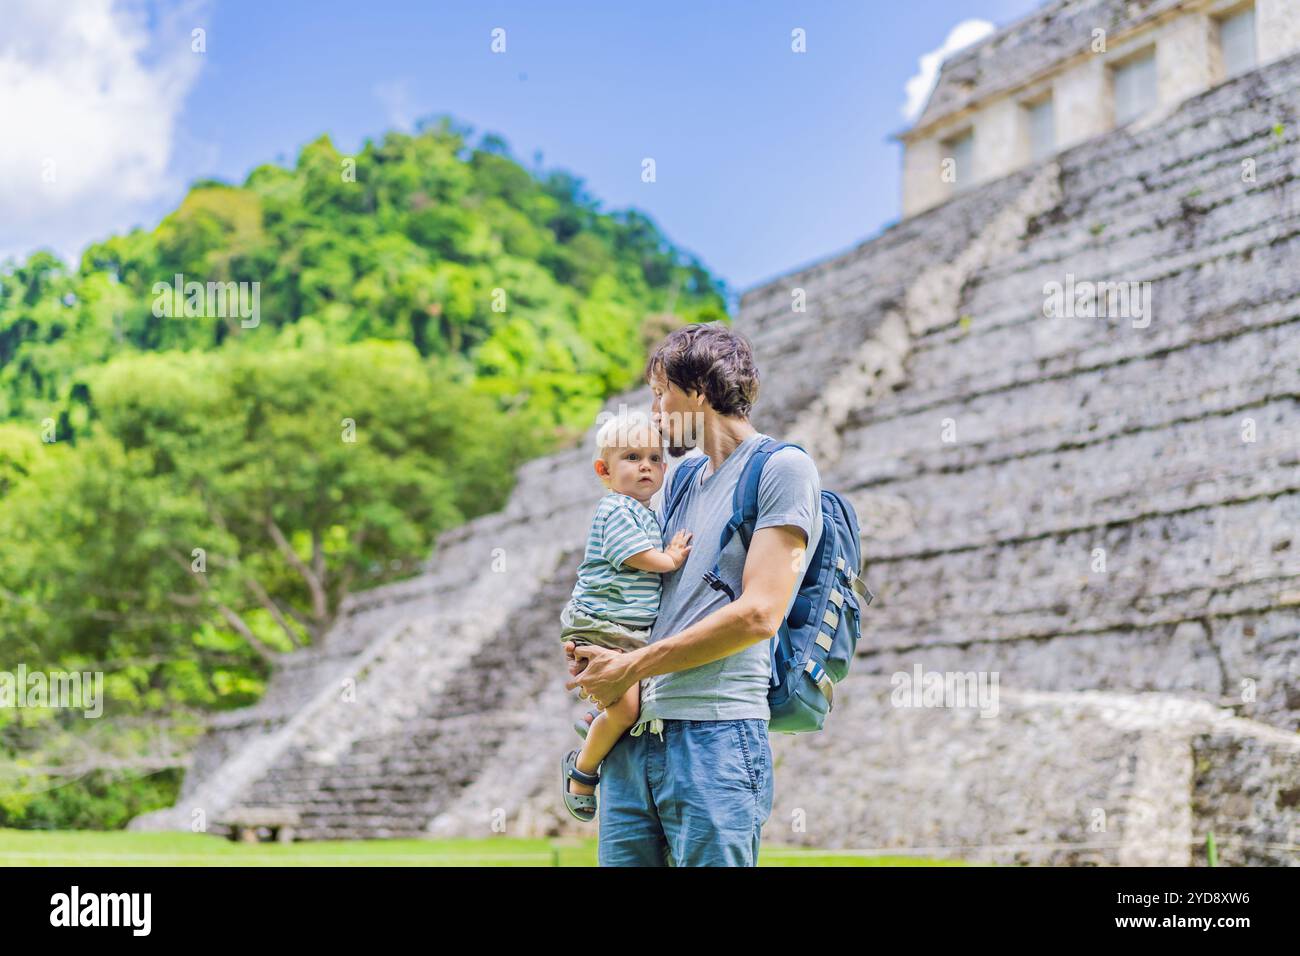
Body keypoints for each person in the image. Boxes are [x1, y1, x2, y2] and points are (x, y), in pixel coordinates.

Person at [565, 322, 822, 866]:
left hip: (716, 739)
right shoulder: (678, 480)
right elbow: (639, 586)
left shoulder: (781, 469)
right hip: (635, 739)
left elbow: (757, 615)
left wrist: (632, 665)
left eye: (661, 394)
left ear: (699, 391)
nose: (654, 412)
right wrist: (596, 644)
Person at [558, 412, 693, 822]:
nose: (646, 466)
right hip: (604, 627)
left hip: (621, 631)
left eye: (654, 458)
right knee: (627, 712)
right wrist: (668, 558)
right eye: (632, 457)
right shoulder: (615, 508)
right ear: (604, 470)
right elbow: (633, 555)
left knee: (625, 705)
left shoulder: (645, 512)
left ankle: (595, 720)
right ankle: (582, 771)